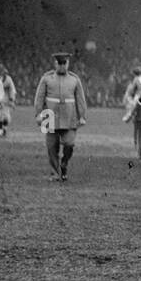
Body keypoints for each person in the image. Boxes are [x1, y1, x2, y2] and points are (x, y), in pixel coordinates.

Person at [32, 51, 87, 182]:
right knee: (51, 146)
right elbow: (39, 98)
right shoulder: (46, 78)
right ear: (55, 64)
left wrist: (82, 116)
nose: (62, 66)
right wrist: (38, 114)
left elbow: (80, 99)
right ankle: (56, 172)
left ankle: (64, 164)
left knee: (70, 143)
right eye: (59, 63)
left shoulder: (74, 79)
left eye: (65, 63)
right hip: (49, 115)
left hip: (69, 116)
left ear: (68, 64)